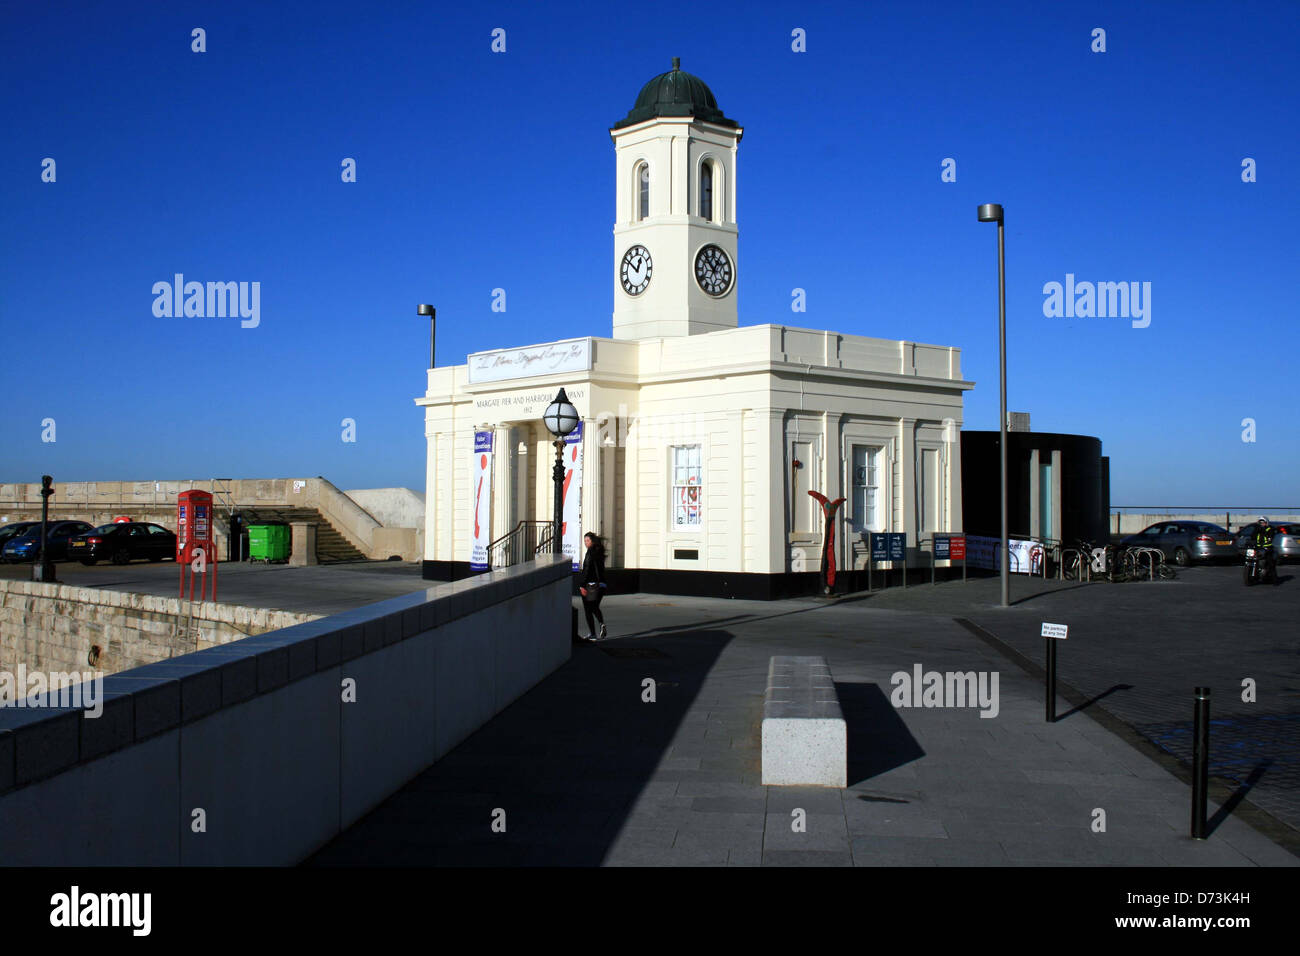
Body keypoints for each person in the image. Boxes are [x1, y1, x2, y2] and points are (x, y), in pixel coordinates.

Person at [579, 532, 608, 641]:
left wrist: (582, 585)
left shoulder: (590, 553)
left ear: (592, 541)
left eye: (588, 541)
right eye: (585, 541)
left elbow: (587, 569)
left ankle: (592, 634)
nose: (586, 543)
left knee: (588, 609)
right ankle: (601, 623)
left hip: (590, 584)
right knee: (594, 606)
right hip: (601, 583)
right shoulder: (599, 552)